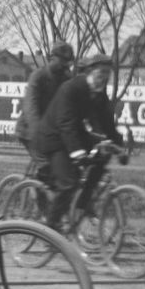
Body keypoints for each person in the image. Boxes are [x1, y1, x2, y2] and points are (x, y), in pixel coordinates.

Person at [34, 53, 125, 234]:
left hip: (74, 135)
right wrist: (78, 153)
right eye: (102, 72)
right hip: (54, 138)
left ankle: (82, 205)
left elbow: (107, 123)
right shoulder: (71, 88)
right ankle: (49, 231)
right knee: (68, 183)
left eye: (108, 74)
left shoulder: (99, 94)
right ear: (90, 71)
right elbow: (65, 123)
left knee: (101, 158)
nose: (105, 77)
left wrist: (119, 147)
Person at [18, 41, 74, 177]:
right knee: (47, 167)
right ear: (52, 58)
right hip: (30, 131)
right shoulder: (38, 77)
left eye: (68, 62)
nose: (65, 65)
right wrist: (38, 135)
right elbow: (31, 108)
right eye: (62, 61)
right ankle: (40, 194)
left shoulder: (67, 79)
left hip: (52, 133)